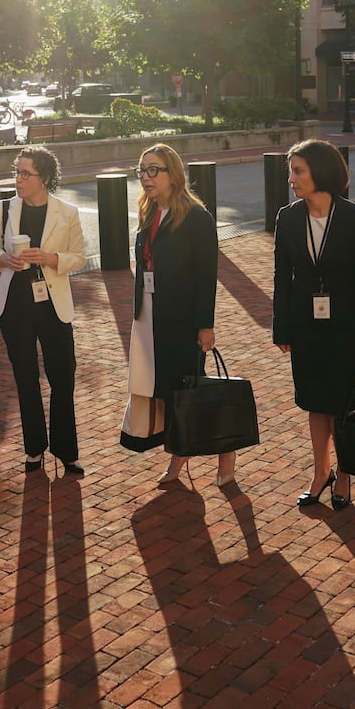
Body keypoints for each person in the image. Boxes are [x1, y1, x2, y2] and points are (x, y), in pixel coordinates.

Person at [273, 139, 355, 511]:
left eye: (298, 171)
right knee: (315, 403)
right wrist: (281, 328)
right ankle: (321, 473)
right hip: (305, 326)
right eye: (291, 171)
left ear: (321, 171)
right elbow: (280, 277)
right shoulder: (287, 217)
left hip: (346, 328)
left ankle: (345, 473)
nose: (292, 179)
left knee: (344, 406)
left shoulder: (354, 217)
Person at [118, 143, 231, 486]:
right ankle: (178, 459)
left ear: (173, 174)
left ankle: (226, 454)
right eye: (142, 171)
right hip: (150, 318)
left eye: (154, 170)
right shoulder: (149, 212)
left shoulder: (196, 217)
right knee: (167, 392)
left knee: (189, 392)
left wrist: (205, 325)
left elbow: (205, 275)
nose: (146, 178)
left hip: (183, 321)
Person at [0, 146, 86, 476]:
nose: (19, 179)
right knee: (25, 378)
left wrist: (52, 259)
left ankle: (67, 451)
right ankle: (34, 450)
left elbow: (80, 257)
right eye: (17, 171)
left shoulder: (66, 213)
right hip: (14, 305)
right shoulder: (4, 208)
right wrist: (2, 259)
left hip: (53, 305)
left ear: (44, 178)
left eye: (26, 174)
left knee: (62, 376)